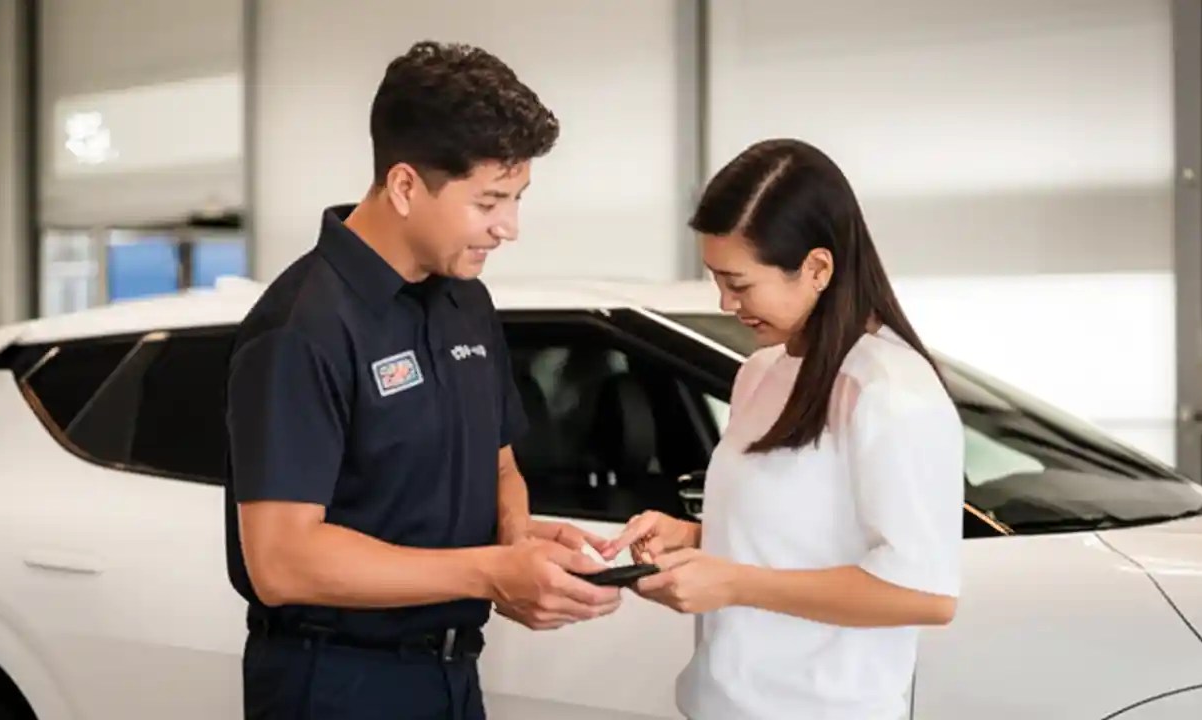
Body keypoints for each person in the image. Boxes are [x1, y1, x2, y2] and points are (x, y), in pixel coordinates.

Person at [224, 40, 621, 720]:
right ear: (405, 186)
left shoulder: (465, 301)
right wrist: (492, 571)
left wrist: (517, 539)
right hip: (335, 683)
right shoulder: (302, 328)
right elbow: (282, 560)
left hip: (452, 674)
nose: (510, 227)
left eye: (518, 198)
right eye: (490, 201)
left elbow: (499, 467)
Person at [606, 139, 964, 720]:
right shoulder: (761, 373)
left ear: (818, 268)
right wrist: (697, 540)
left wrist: (734, 583)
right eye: (717, 279)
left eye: (740, 283)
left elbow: (925, 594)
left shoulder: (889, 391)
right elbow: (801, 537)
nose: (726, 302)